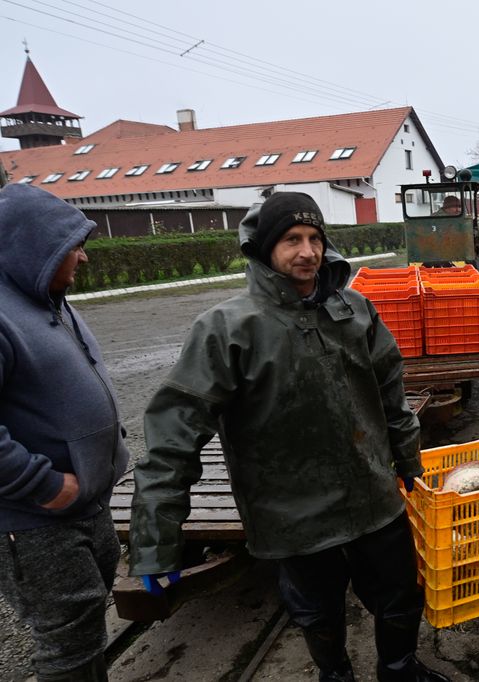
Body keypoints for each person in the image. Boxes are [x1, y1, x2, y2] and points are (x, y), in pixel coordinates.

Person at [128, 192, 448, 682]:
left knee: (400, 594)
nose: (308, 252)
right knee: (317, 612)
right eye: (291, 239)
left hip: (372, 498)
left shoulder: (355, 310)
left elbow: (392, 398)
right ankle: (335, 675)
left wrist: (410, 467)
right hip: (291, 514)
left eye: (315, 238)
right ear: (263, 249)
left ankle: (399, 668)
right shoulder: (227, 329)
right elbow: (173, 438)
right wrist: (156, 539)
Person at [0, 184, 129, 682]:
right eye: (72, 245)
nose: (84, 256)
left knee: (87, 629)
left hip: (87, 506)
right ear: (34, 247)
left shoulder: (50, 300)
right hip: (35, 522)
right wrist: (44, 486)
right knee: (67, 647)